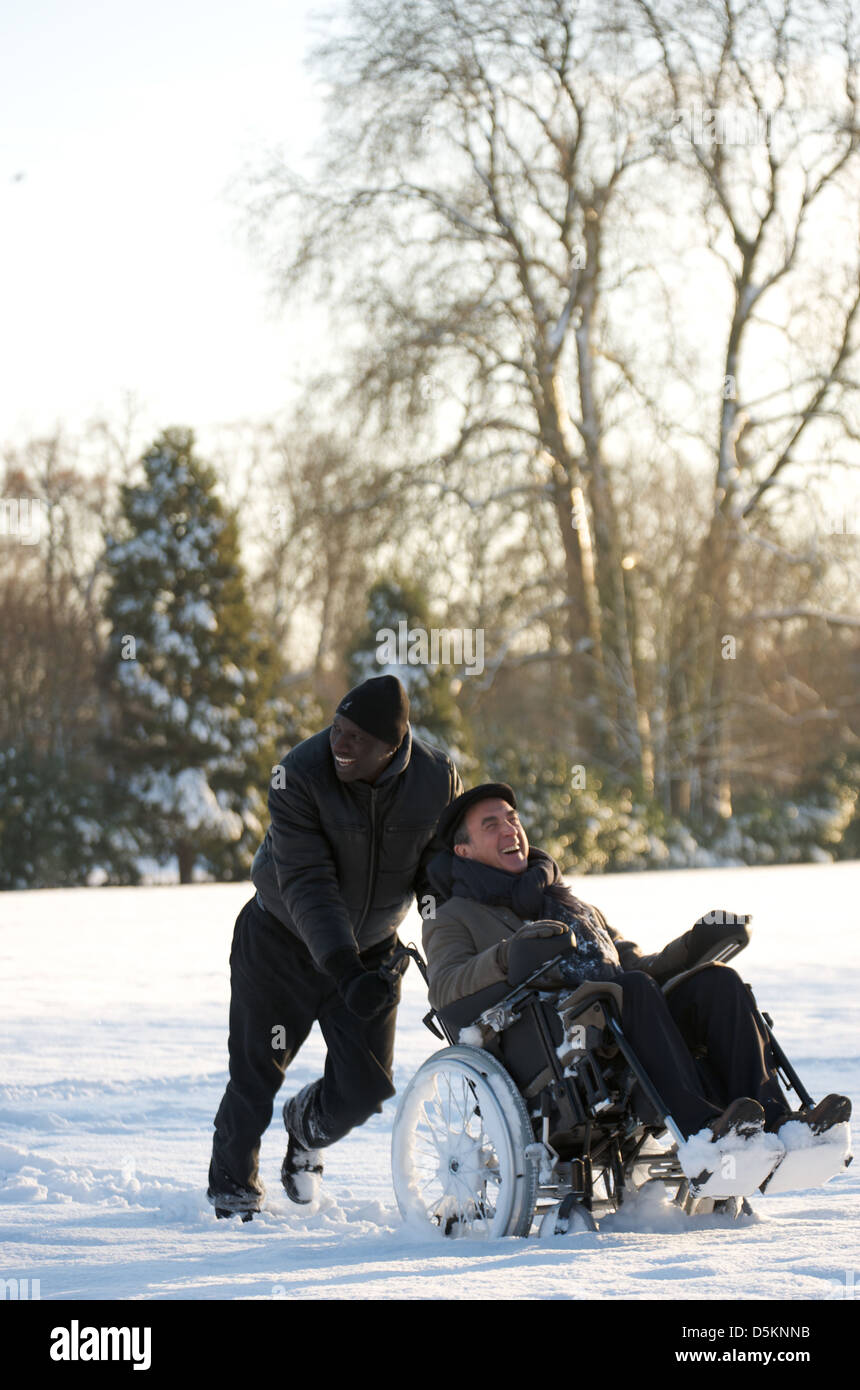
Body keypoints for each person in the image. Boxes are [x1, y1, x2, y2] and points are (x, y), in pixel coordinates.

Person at [422, 784, 851, 1192]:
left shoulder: (567, 903)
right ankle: (703, 1135)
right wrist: (506, 955)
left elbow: (634, 965)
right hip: (556, 1048)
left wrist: (692, 946)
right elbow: (445, 989)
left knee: (717, 983)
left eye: (512, 818)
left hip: (626, 1016)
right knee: (629, 989)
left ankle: (781, 1129)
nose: (509, 829)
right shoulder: (452, 915)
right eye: (491, 824)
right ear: (464, 850)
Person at [207, 674, 463, 1219]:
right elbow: (307, 883)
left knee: (365, 1089)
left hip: (371, 951)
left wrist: (447, 933)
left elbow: (436, 873)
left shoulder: (436, 779)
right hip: (281, 943)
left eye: (356, 739)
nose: (339, 744)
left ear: (393, 748)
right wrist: (344, 968)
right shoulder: (298, 773)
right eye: (337, 729)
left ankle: (305, 1131)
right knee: (256, 1073)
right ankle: (233, 1193)